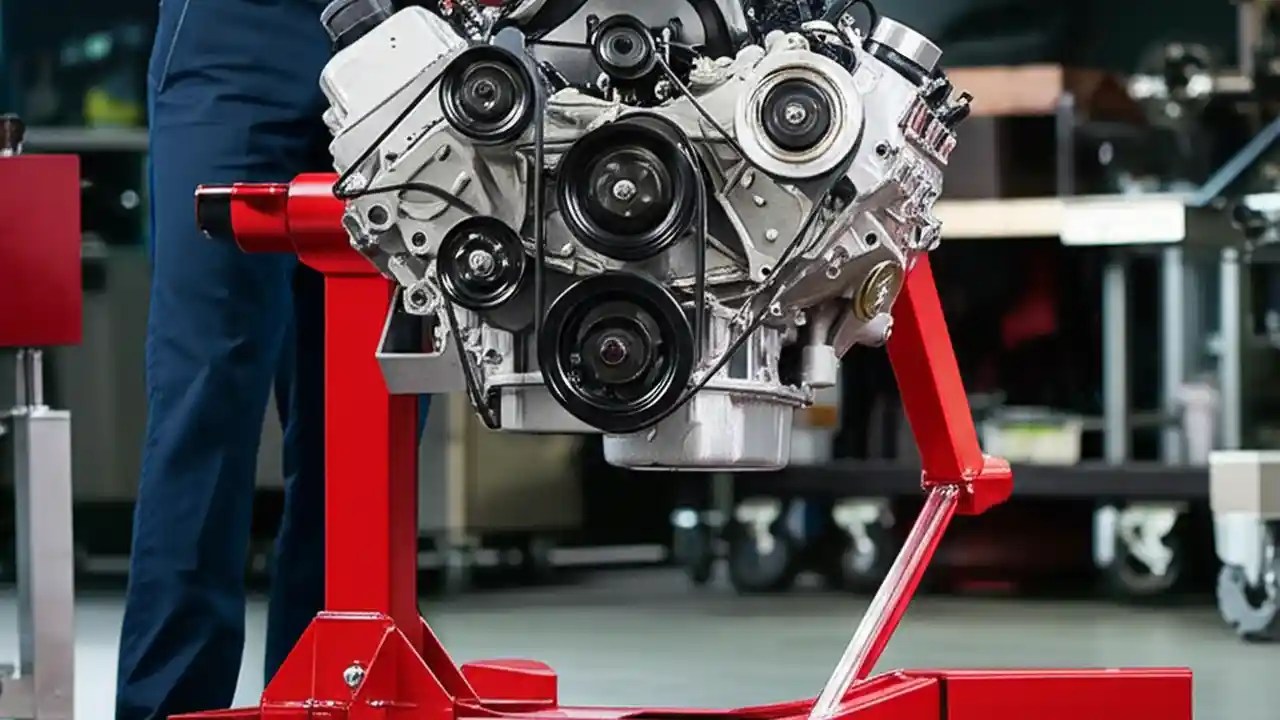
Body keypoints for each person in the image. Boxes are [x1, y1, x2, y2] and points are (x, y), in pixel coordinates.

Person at [115, 1, 429, 718]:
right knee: (205, 391)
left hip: (404, 41)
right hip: (238, 41)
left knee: (372, 411)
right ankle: (168, 706)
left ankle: (333, 700)